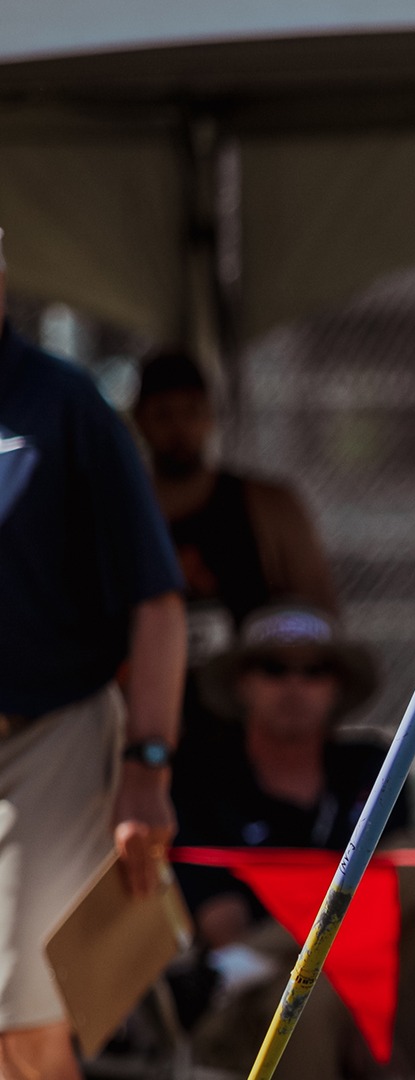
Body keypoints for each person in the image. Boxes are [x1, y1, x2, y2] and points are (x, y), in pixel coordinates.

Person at [0, 227, 188, 1080]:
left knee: (21, 1007)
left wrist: (147, 765)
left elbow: (156, 600)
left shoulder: (65, 405)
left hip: (52, 730)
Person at [171, 605, 415, 1080]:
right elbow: (224, 931)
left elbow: (409, 879)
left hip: (368, 980)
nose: (294, 687)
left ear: (337, 687)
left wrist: (257, 951)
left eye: (315, 670)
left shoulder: (371, 766)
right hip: (247, 1014)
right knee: (315, 998)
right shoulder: (202, 784)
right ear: (242, 684)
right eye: (273, 668)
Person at [132, 348, 340, 770]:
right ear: (139, 421)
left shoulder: (267, 508)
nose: (180, 429)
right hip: (150, 735)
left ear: (211, 416)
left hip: (252, 736)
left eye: (192, 412)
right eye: (164, 414)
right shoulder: (119, 515)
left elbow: (321, 622)